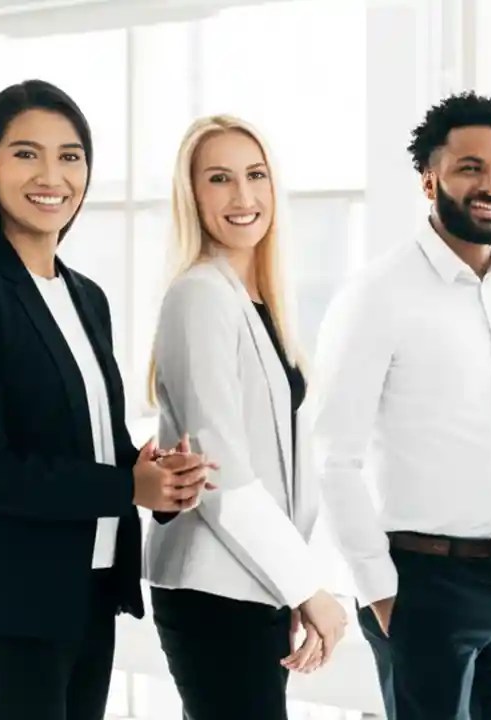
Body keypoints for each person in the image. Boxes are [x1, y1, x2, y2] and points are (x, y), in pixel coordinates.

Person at [0, 79, 212, 720]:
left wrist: (152, 474)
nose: (52, 174)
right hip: (12, 601)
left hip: (90, 592)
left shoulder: (86, 296)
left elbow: (87, 440)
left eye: (70, 155)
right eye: (26, 153)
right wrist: (125, 488)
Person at [306, 91, 491, 719]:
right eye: (470, 168)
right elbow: (333, 458)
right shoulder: (376, 295)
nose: (490, 185)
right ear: (429, 180)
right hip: (423, 583)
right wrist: (380, 593)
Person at [142, 115, 349, 720]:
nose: (243, 196)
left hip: (254, 586)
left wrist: (292, 586)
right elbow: (219, 473)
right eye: (220, 179)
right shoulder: (199, 295)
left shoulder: (257, 300)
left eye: (256, 175)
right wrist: (308, 588)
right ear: (192, 195)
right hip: (214, 591)